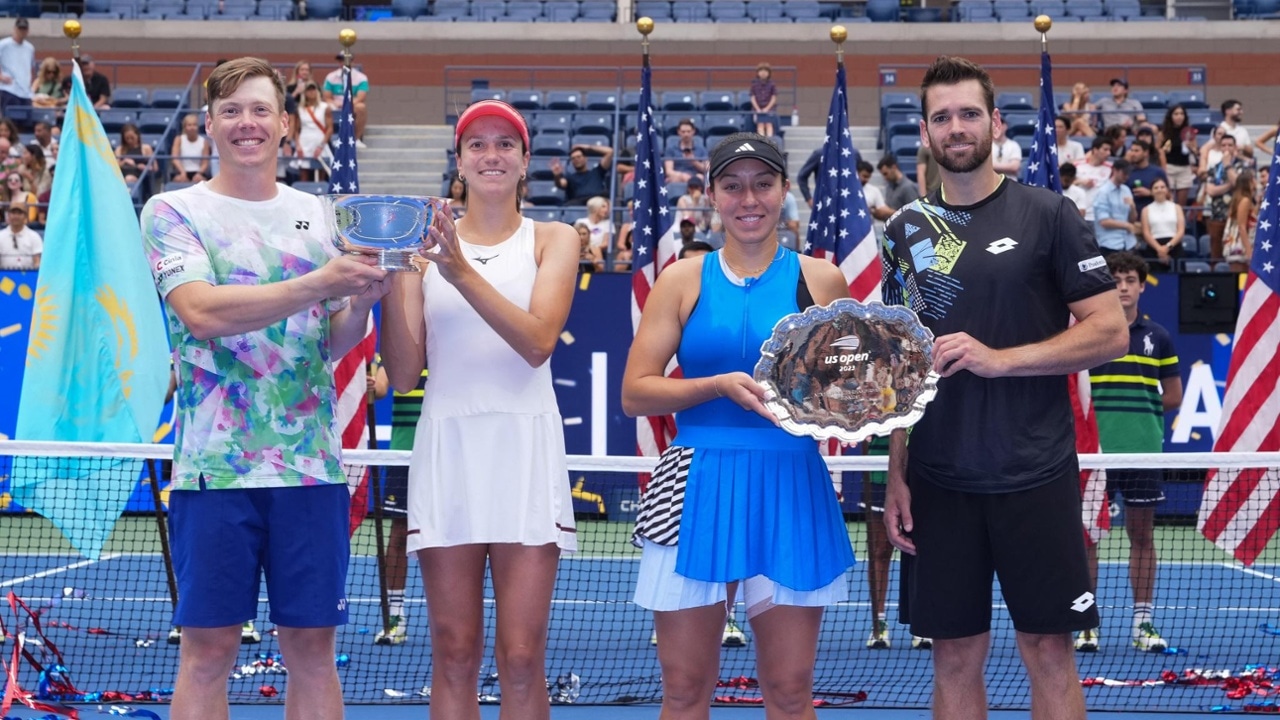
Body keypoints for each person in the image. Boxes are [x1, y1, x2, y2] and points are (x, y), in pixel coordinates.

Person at [140, 57, 390, 720]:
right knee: (208, 652)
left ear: (285, 125)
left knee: (312, 652)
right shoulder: (172, 211)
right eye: (230, 111)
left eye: (258, 111)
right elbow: (202, 313)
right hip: (214, 473)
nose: (245, 124)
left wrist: (361, 304)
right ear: (209, 125)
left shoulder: (314, 217)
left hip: (309, 472)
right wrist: (322, 284)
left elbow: (327, 340)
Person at [882, 56, 1127, 720]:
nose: (956, 128)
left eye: (968, 114)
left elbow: (1110, 332)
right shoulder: (904, 233)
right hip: (938, 480)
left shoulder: (1050, 215)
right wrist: (896, 472)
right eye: (941, 118)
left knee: (1049, 649)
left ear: (994, 122)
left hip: (1036, 474)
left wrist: (1000, 360)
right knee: (954, 657)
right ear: (925, 134)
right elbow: (902, 370)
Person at [623, 131, 855, 719]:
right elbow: (635, 392)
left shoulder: (822, 281)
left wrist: (857, 403)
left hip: (791, 482)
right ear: (712, 196)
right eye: (732, 186)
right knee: (682, 691)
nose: (748, 198)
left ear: (782, 192)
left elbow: (848, 388)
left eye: (762, 183)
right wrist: (717, 385)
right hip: (691, 483)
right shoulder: (681, 278)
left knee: (789, 692)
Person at [379, 99, 578, 720]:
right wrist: (394, 274)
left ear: (525, 164)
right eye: (477, 145)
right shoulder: (421, 247)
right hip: (448, 449)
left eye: (505, 145)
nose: (491, 155)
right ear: (459, 163)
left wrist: (457, 269)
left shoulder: (555, 239)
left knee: (522, 656)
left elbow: (537, 343)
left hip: (525, 449)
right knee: (454, 651)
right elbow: (405, 374)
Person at [1078, 251, 1181, 654]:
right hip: (1093, 455)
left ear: (1141, 285)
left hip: (1141, 453)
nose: (1122, 286)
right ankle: (1087, 625)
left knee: (1141, 536)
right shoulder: (1090, 333)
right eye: (1115, 279)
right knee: (1088, 538)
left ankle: (1142, 624)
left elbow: (1173, 396)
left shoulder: (1159, 336)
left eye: (1129, 279)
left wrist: (1138, 414)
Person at [373, 362, 427, 646]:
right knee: (398, 537)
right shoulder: (404, 354)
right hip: (404, 458)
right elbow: (381, 387)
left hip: (448, 455)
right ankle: (395, 617)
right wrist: (372, 385)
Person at [863, 436, 931, 651]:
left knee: (924, 550)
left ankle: (925, 623)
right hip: (880, 466)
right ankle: (878, 624)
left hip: (925, 464)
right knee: (879, 550)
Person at [1093, 158, 1139, 254]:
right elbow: (1104, 221)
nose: (1126, 176)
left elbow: (1132, 220)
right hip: (1109, 243)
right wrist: (1127, 226)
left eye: (1128, 174)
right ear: (1115, 170)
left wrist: (1133, 207)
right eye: (1124, 173)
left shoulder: (1126, 190)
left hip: (1128, 243)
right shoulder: (1103, 192)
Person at [1137, 178, 1184, 270]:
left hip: (1174, 246)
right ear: (1151, 191)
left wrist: (1168, 247)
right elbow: (1146, 233)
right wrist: (1159, 249)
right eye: (1156, 188)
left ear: (1167, 190)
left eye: (1162, 187)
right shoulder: (1146, 210)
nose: (1159, 190)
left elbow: (1181, 230)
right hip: (1154, 247)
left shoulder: (1176, 207)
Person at [1157, 105, 1198, 207]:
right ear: (1170, 116)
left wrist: (1191, 148)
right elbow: (1156, 150)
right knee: (1167, 202)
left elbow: (1196, 151)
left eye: (1181, 114)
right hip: (1169, 168)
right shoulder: (1164, 133)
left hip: (1184, 168)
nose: (1179, 116)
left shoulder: (1189, 132)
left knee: (1181, 205)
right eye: (1176, 114)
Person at [323, 57, 368, 147]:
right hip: (335, 104)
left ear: (352, 62)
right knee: (324, 107)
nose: (343, 63)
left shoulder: (361, 77)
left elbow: (361, 97)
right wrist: (335, 103)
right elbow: (327, 97)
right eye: (341, 60)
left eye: (346, 60)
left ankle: (356, 139)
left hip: (352, 104)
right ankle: (329, 138)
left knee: (361, 107)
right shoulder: (331, 76)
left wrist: (347, 104)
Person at [294, 81, 331, 182]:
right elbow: (296, 130)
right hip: (304, 142)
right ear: (305, 92)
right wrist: (298, 145)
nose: (311, 92)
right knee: (303, 175)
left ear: (318, 91)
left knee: (321, 175)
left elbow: (330, 128)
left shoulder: (325, 107)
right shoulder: (300, 109)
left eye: (313, 89)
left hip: (320, 141)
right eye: (309, 90)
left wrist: (321, 146)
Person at [1224, 170, 1258, 273]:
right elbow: (1241, 226)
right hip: (1240, 245)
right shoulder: (1245, 201)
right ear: (1249, 182)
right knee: (1240, 280)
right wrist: (1248, 251)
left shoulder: (1245, 199)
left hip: (1240, 243)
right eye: (1254, 179)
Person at [0, 18, 32, 117]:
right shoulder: (3, 44)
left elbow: (30, 67)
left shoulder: (30, 48)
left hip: (26, 92)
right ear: (14, 29)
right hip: (9, 89)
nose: (22, 31)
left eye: (24, 29)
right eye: (20, 28)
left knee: (26, 123)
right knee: (9, 122)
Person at [169, 113, 212, 184]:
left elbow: (205, 163)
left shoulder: (204, 142)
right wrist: (182, 172)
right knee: (179, 179)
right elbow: (175, 159)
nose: (192, 127)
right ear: (185, 127)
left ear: (197, 127)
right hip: (181, 171)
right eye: (189, 125)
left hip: (198, 172)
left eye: (194, 125)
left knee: (201, 181)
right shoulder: (178, 139)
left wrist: (199, 174)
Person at [0, 202, 40, 270]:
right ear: (8, 215)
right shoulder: (1, 236)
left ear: (25, 216)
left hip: (28, 277)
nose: (16, 216)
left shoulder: (34, 236)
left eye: (19, 213)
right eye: (13, 213)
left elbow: (37, 261)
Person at [750, 61, 778, 137]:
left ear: (769, 73)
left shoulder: (772, 84)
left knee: (769, 124)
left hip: (770, 109)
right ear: (758, 73)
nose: (763, 73)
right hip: (758, 109)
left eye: (765, 71)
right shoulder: (754, 84)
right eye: (761, 71)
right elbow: (753, 98)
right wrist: (758, 109)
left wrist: (767, 108)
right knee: (760, 125)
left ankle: (769, 142)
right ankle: (762, 142)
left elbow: (773, 97)